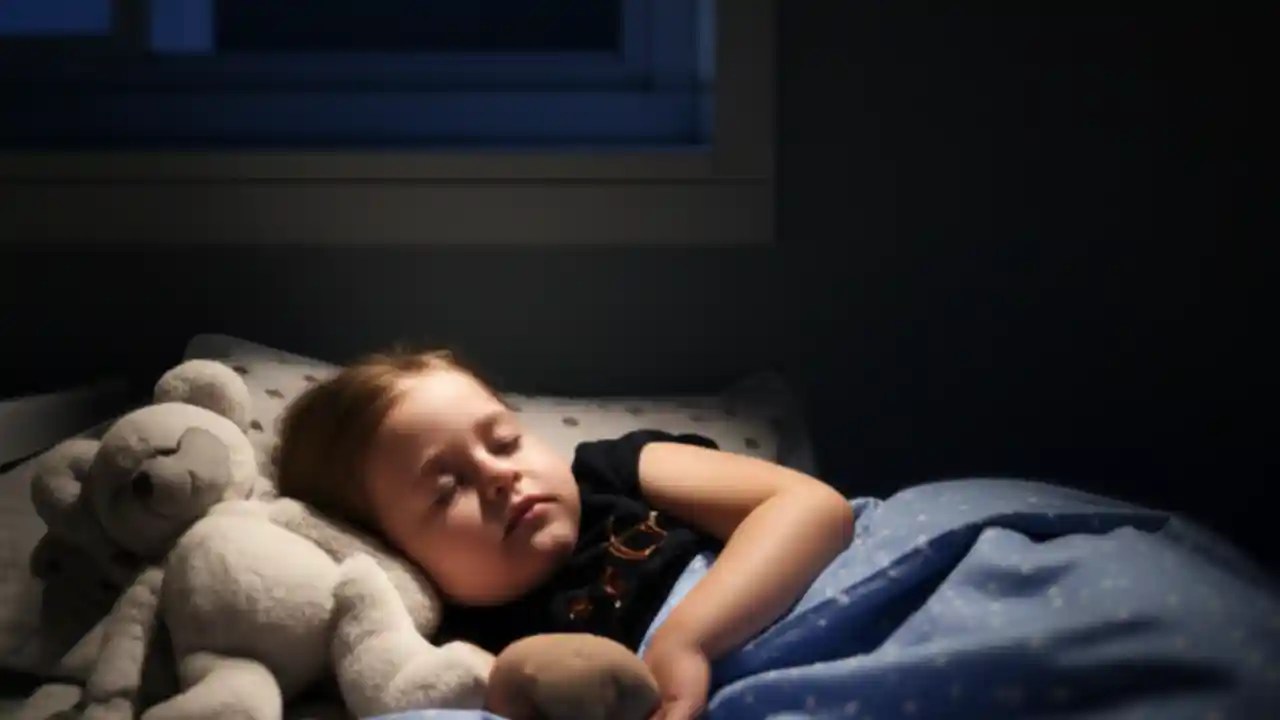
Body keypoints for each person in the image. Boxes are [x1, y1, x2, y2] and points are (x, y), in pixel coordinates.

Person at [274, 350, 853, 720]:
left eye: (503, 442)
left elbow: (809, 505)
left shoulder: (615, 473)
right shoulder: (461, 657)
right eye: (448, 489)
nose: (501, 476)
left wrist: (686, 641)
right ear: (389, 552)